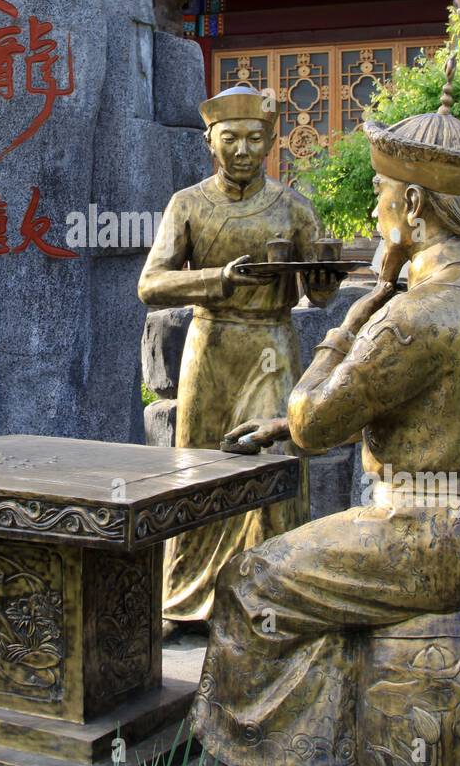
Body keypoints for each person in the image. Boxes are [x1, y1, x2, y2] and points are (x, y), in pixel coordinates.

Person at [188, 60, 460, 766]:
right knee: (310, 580)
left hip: (425, 533)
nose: (376, 211)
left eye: (380, 196)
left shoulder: (412, 313)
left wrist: (357, 310)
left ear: (413, 203)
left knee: (252, 582)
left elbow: (312, 418)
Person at [138, 84, 339, 632]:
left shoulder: (294, 207)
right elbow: (151, 285)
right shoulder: (188, 204)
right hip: (211, 349)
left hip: (271, 345)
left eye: (255, 138)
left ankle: (274, 594)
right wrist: (216, 282)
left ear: (271, 141)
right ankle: (182, 599)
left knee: (274, 462)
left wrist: (320, 284)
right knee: (196, 468)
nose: (244, 150)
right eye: (232, 139)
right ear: (210, 141)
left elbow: (318, 290)